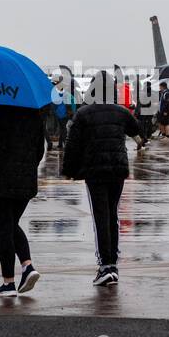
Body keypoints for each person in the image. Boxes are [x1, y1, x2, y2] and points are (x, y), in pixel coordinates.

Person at [62, 72, 146, 286]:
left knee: (100, 216)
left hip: (95, 170)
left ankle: (105, 266)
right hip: (118, 170)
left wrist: (69, 170)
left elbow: (72, 145)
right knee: (112, 214)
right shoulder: (121, 112)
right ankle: (113, 263)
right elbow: (137, 131)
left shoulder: (83, 114)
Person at [0, 103, 45, 296]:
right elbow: (39, 151)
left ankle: (8, 282)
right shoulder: (34, 114)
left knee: (4, 228)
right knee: (11, 224)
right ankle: (27, 266)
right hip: (26, 181)